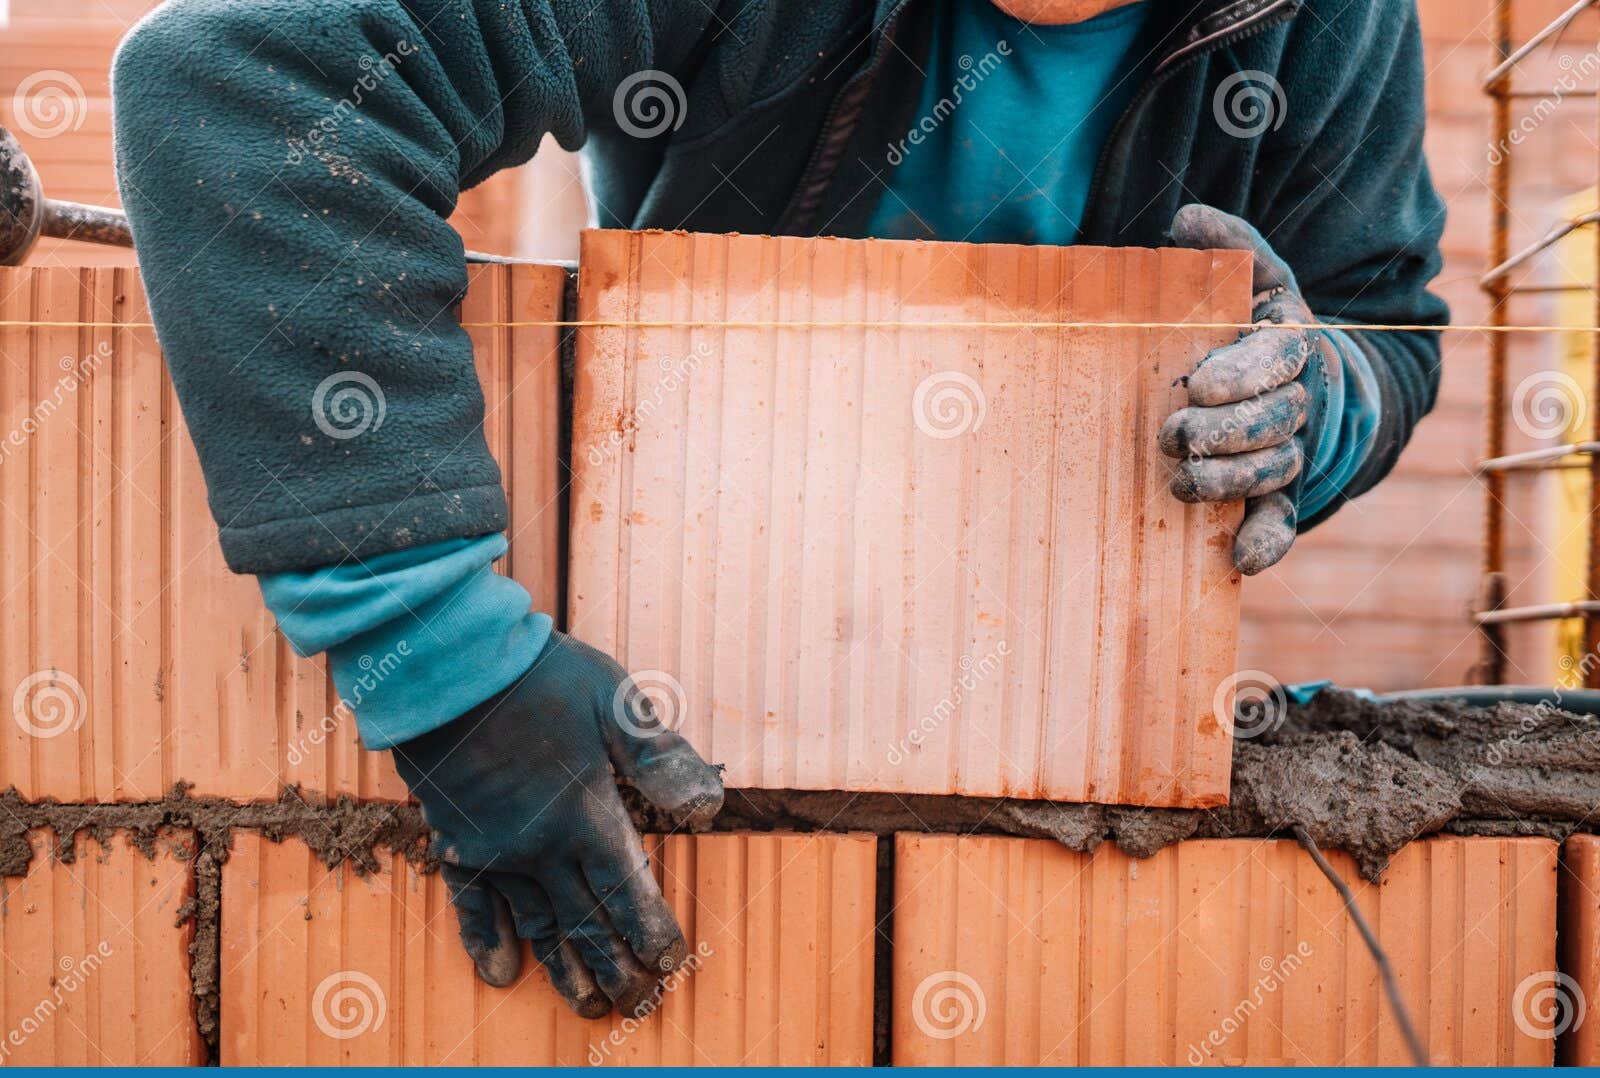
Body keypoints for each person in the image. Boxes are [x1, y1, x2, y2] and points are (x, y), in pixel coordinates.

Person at [110, 0, 1446, 1019]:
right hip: (695, 652)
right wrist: (446, 664)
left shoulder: (1328, 20)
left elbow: (1386, 320)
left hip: (1060, 687)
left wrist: (1316, 402)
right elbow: (242, 93)